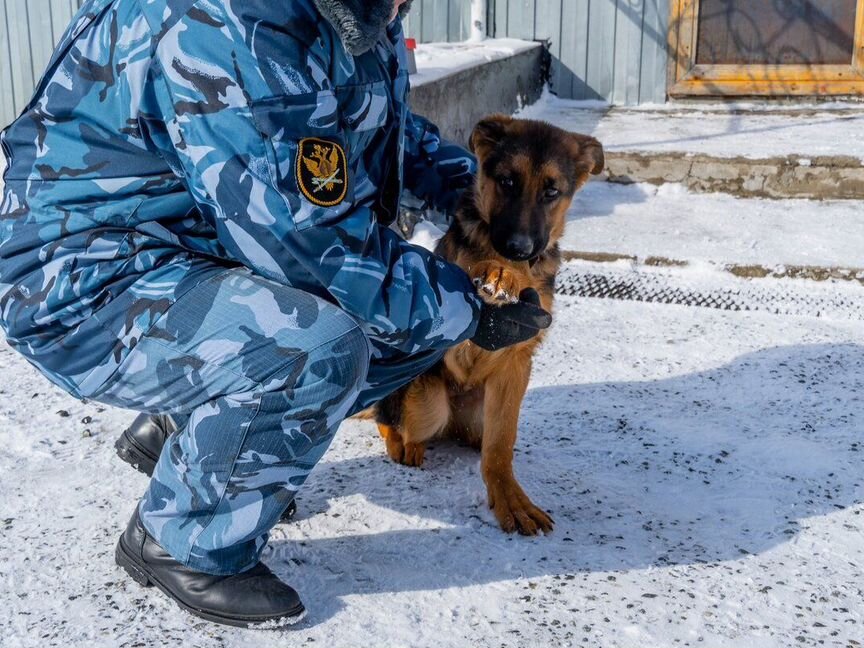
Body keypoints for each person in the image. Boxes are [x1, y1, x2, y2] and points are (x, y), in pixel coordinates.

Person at [0, 0, 550, 627]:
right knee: (321, 343)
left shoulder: (354, 12)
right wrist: (465, 307)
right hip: (84, 282)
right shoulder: (232, 26)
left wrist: (490, 194)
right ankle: (185, 538)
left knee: (408, 319)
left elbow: (380, 134)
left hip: (190, 248)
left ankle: (184, 431)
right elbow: (312, 246)